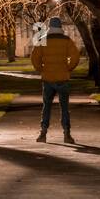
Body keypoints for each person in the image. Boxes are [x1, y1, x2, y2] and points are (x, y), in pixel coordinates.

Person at [31, 14, 81, 144]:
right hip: (63, 78)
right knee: (64, 107)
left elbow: (34, 58)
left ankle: (43, 133)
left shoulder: (43, 39)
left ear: (49, 27)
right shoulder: (66, 40)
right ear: (60, 27)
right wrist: (68, 68)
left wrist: (41, 69)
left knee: (46, 106)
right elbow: (75, 57)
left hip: (48, 79)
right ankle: (67, 134)